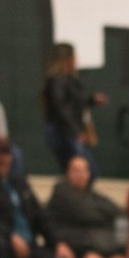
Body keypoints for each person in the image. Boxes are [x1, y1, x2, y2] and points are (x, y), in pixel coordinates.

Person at [45, 156, 129, 258]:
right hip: (74, 248)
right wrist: (102, 214)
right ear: (68, 173)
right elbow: (83, 211)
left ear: (89, 174)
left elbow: (118, 213)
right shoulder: (61, 191)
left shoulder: (94, 196)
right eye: (76, 171)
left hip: (102, 247)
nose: (80, 175)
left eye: (84, 171)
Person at [41, 43, 104, 176]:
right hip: (63, 131)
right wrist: (76, 131)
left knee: (85, 172)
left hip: (69, 130)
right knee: (82, 171)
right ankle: (70, 196)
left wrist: (91, 100)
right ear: (66, 60)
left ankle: (76, 196)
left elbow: (74, 104)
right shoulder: (57, 81)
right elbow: (61, 107)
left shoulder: (70, 80)